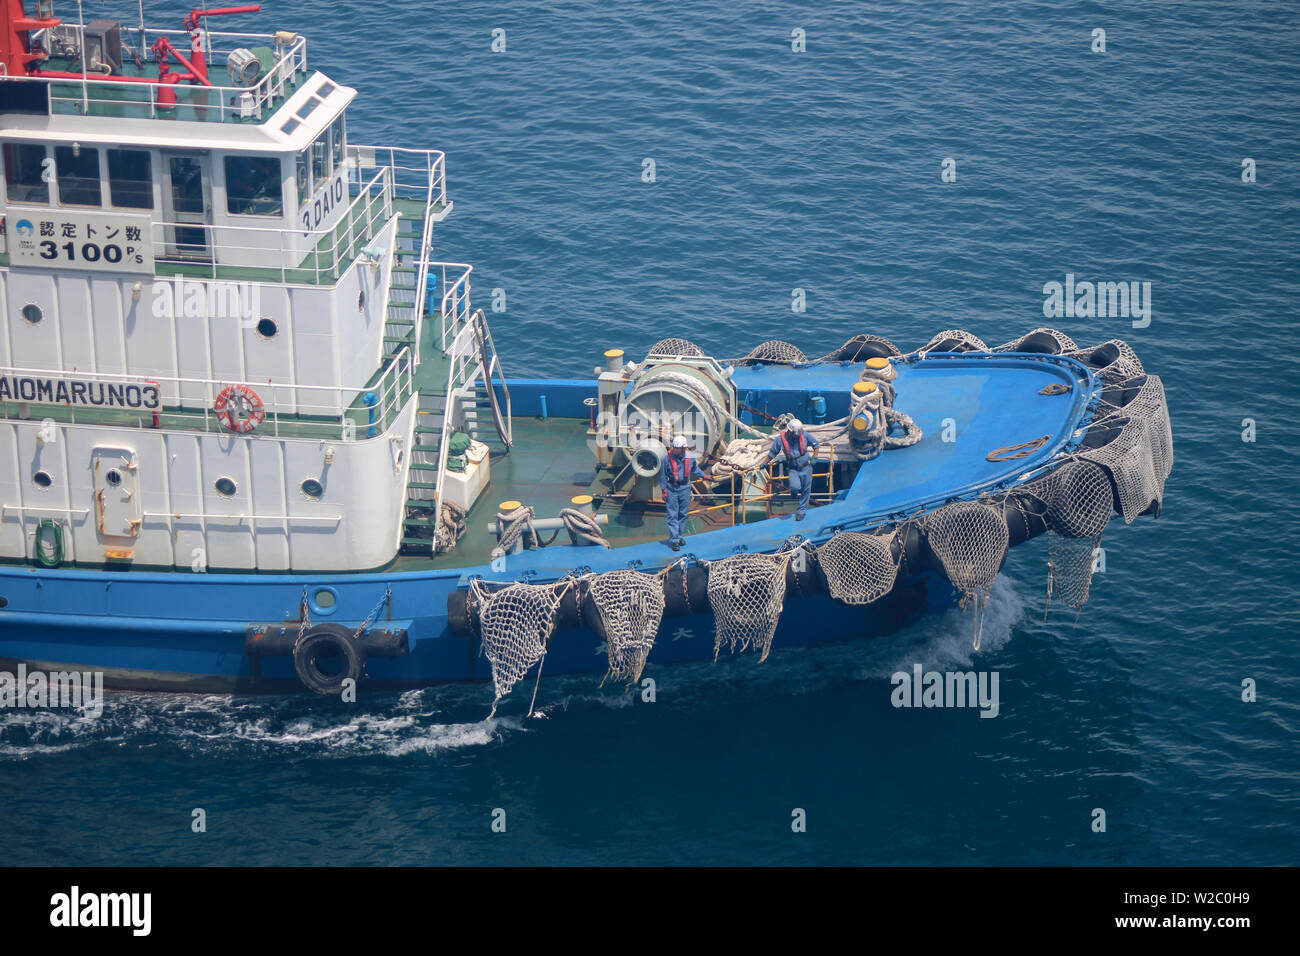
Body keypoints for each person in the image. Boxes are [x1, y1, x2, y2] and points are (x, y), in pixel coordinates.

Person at [661, 434, 708, 550]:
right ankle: (675, 540)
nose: (675, 450)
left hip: (685, 488)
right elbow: (663, 475)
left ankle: (678, 535)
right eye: (674, 447)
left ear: (683, 448)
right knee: (672, 515)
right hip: (672, 488)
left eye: (678, 448)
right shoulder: (667, 458)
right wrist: (664, 490)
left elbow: (695, 469)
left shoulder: (689, 457)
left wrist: (705, 476)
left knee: (683, 514)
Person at [768, 418, 821, 520]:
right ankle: (794, 492)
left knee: (806, 490)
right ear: (789, 431)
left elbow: (816, 445)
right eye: (795, 434)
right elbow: (772, 453)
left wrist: (815, 457)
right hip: (793, 468)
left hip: (806, 467)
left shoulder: (804, 435)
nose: (797, 436)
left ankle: (801, 511)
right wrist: (763, 464)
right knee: (795, 486)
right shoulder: (780, 440)